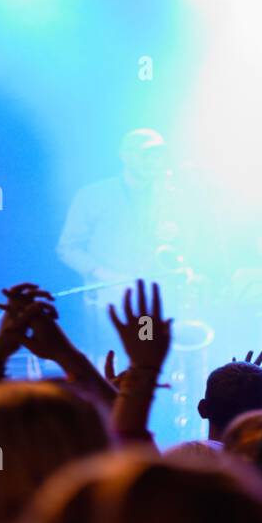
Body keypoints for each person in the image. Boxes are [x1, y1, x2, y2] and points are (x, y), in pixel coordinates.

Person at [56, 130, 181, 357]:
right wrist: (107, 276)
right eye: (147, 154)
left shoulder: (169, 196)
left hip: (150, 303)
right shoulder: (93, 195)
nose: (154, 161)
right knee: (112, 366)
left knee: (147, 362)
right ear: (125, 155)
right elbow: (68, 248)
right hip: (109, 301)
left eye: (158, 155)